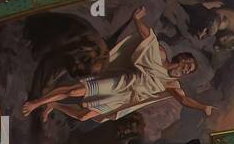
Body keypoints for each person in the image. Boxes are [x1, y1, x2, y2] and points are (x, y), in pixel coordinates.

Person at [22, 7, 217, 122]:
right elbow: (148, 36)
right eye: (188, 63)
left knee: (83, 116)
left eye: (189, 70)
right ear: (181, 57)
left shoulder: (172, 85)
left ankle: (54, 104)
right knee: (74, 92)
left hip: (122, 98)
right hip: (120, 81)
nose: (187, 67)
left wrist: (202, 107)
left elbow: (184, 101)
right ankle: (36, 103)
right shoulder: (159, 55)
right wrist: (137, 19)